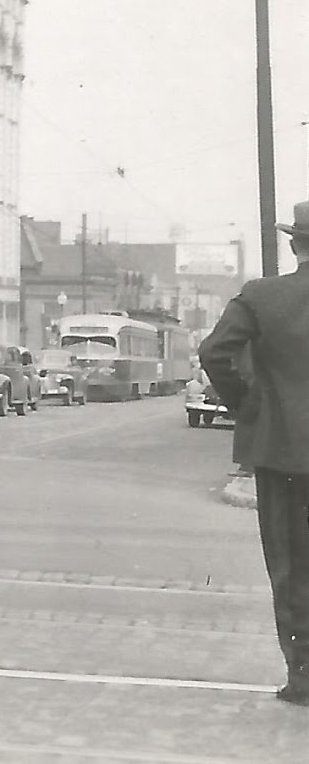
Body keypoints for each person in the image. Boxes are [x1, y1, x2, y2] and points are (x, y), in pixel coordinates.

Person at [199, 198, 309, 707]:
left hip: (282, 453)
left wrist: (250, 405)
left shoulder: (262, 297)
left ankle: (305, 678)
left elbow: (215, 351)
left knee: (292, 566)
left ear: (294, 243)